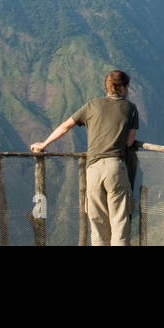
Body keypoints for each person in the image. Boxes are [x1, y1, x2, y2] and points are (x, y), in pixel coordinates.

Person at [32, 69, 139, 245]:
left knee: (98, 225)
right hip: (115, 167)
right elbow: (129, 142)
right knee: (119, 223)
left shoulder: (91, 106)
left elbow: (66, 126)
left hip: (93, 169)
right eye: (127, 87)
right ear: (121, 88)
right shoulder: (130, 108)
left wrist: (43, 144)